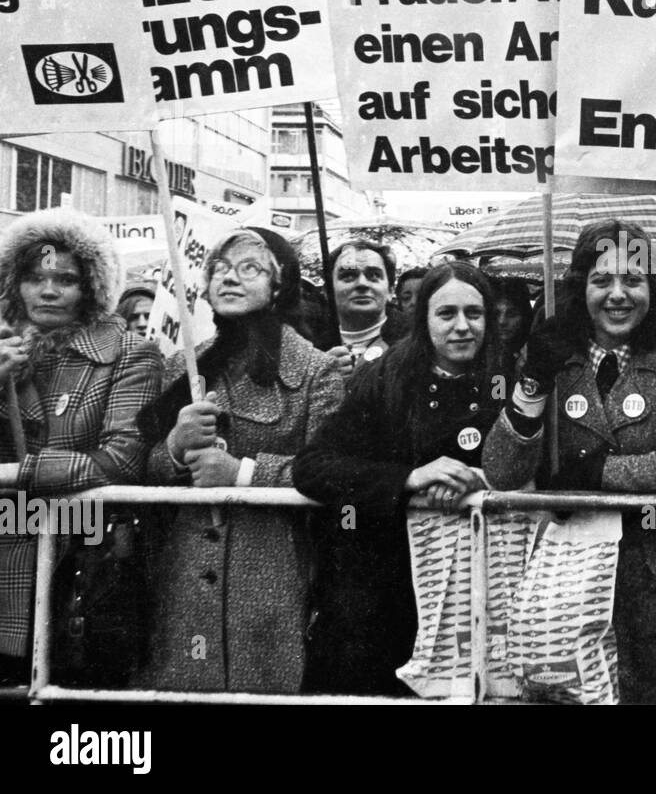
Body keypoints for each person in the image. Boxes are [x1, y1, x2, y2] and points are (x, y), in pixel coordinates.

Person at [483, 220, 656, 704]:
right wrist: (534, 380)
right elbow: (502, 470)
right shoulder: (550, 353)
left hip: (652, 575)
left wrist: (594, 475)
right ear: (579, 286)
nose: (618, 295)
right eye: (601, 280)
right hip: (566, 574)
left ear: (652, 287)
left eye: (633, 280)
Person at [135, 227, 345, 694]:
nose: (230, 279)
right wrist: (173, 445)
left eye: (250, 268)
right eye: (220, 269)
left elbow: (330, 471)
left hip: (274, 572)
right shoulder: (183, 366)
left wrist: (242, 473)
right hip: (186, 576)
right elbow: (147, 470)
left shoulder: (316, 372)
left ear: (280, 285)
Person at [295, 262, 507, 695]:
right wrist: (409, 478)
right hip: (387, 586)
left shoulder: (509, 378)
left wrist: (484, 479)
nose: (462, 327)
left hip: (479, 588)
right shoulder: (386, 377)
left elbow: (534, 469)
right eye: (446, 314)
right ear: (423, 318)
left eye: (475, 313)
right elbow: (313, 467)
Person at [0, 209, 162, 686]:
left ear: (92, 286)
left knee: (76, 695)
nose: (47, 291)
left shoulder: (130, 353)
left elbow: (122, 458)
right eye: (34, 277)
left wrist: (20, 475)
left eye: (65, 279)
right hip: (6, 553)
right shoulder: (3, 350)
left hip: (84, 552)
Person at [317, 240, 408, 376]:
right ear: (327, 291)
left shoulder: (418, 344)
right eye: (348, 276)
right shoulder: (311, 350)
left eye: (374, 276)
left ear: (390, 290)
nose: (362, 284)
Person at [490, 275, 534, 371]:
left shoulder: (534, 356)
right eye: (496, 314)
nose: (502, 321)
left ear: (524, 316)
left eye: (511, 314)